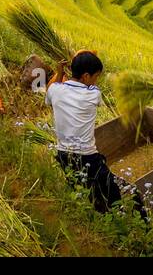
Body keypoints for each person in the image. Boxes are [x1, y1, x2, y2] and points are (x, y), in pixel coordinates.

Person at [47, 50, 121, 212]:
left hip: (63, 155)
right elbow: (92, 91)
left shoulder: (55, 91)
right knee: (113, 193)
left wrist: (59, 72)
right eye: (96, 76)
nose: (96, 81)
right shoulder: (93, 94)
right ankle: (117, 218)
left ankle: (93, 215)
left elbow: (52, 90)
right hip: (88, 156)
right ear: (86, 76)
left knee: (83, 191)